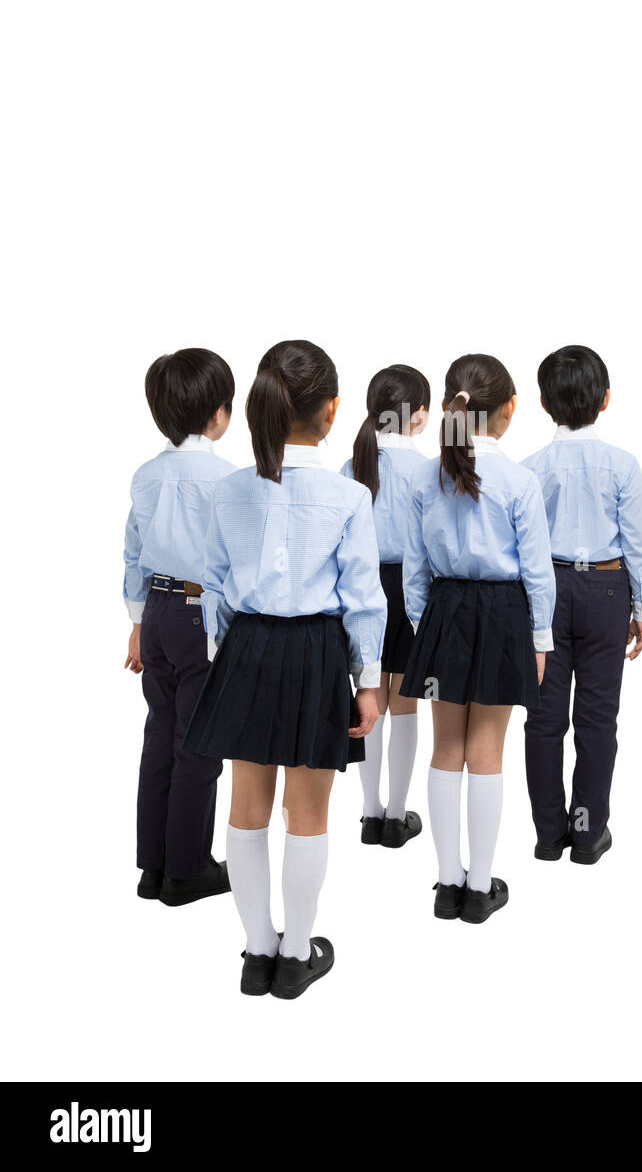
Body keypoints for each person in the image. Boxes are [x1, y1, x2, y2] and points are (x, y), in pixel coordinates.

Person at [184, 340, 386, 999]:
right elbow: (363, 599)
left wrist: (228, 655)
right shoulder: (349, 496)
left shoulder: (229, 489)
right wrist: (370, 682)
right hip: (315, 653)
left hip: (245, 648)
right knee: (307, 811)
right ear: (331, 411)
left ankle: (256, 951)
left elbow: (211, 587)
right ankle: (296, 956)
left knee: (245, 806)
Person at [402, 354, 555, 924]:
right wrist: (540, 640)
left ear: (450, 406)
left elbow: (413, 568)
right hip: (503, 613)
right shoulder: (519, 480)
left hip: (444, 609)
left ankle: (446, 883)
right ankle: (481, 886)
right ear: (509, 409)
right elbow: (537, 571)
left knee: (446, 746)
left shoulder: (425, 475)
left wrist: (426, 626)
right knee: (487, 749)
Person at [522, 345, 642, 864]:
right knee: (598, 719)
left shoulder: (529, 468)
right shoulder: (622, 465)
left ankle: (549, 834)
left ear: (541, 401)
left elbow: (523, 546)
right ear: (605, 400)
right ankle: (588, 833)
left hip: (547, 590)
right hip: (606, 590)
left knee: (543, 719)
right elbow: (639, 541)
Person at [123, 347, 235, 905]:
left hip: (160, 611)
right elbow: (236, 561)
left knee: (161, 736)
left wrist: (137, 622)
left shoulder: (146, 475)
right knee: (199, 744)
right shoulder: (228, 478)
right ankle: (188, 870)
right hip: (202, 616)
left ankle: (155, 865)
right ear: (218, 413)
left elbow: (133, 552)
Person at [341, 364, 430, 848]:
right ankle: (397, 815)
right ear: (418, 415)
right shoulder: (427, 469)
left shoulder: (351, 465)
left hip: (361, 589)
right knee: (407, 704)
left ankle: (370, 812)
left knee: (368, 698)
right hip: (413, 588)